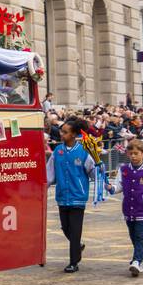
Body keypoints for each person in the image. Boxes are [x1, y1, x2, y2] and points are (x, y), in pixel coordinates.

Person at [110, 138, 143, 276]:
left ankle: (136, 261)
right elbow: (119, 186)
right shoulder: (124, 169)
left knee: (140, 236)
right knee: (133, 236)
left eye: (136, 153)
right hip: (128, 209)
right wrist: (111, 188)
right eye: (131, 153)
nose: (133, 156)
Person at [46, 117, 94, 273]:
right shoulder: (57, 152)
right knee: (65, 227)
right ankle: (77, 245)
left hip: (77, 197)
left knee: (75, 230)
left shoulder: (83, 152)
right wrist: (43, 187)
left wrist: (103, 182)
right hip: (62, 197)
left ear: (73, 134)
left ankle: (74, 262)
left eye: (65, 132)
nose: (61, 134)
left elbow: (92, 171)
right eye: (61, 131)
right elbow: (49, 174)